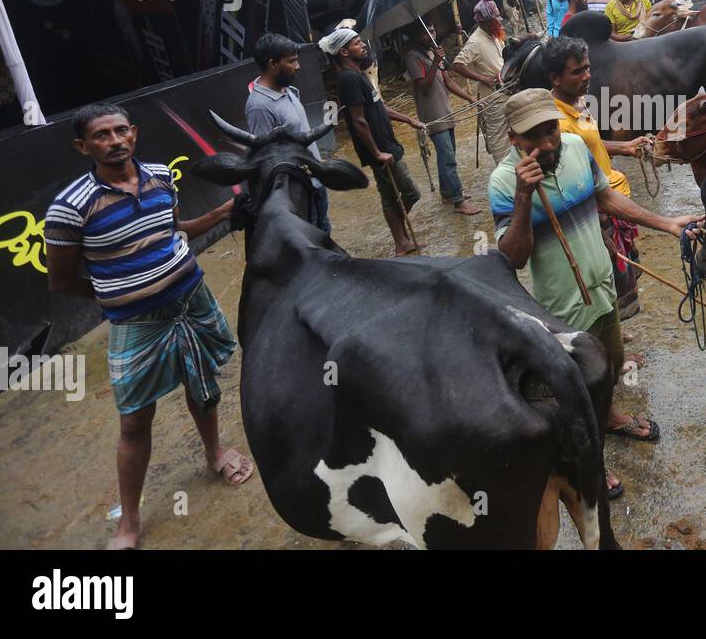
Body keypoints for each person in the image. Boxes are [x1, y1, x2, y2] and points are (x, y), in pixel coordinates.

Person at [46, 103, 249, 549]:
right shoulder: (68, 208)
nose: (115, 141)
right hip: (136, 323)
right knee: (135, 422)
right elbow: (60, 282)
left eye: (122, 131)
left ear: (134, 133)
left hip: (191, 298)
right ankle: (130, 524)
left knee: (202, 383)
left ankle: (215, 454)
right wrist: (119, 297)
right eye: (102, 135)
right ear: (83, 147)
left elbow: (174, 231)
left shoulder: (159, 175)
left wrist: (223, 213)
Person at [490, 88, 700, 497]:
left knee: (612, 363)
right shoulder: (503, 181)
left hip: (603, 289)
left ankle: (608, 415)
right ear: (514, 138)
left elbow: (606, 197)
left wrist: (668, 223)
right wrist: (523, 198)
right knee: (576, 391)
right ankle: (587, 463)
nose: (547, 142)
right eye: (534, 136)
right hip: (561, 309)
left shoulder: (574, 146)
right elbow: (512, 258)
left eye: (550, 129)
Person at [546, 36, 654, 322]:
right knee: (610, 283)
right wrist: (599, 225)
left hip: (613, 197)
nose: (587, 75)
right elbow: (569, 181)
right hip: (600, 210)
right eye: (578, 71)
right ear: (555, 78)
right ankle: (614, 348)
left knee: (624, 275)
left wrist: (626, 148)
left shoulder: (577, 102)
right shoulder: (555, 124)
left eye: (587, 67)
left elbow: (590, 145)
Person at [322, 27, 425, 255]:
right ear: (344, 52)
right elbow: (358, 121)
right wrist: (377, 153)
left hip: (385, 144)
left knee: (390, 195)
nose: (364, 45)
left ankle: (402, 242)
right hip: (380, 148)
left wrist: (408, 120)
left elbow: (378, 105)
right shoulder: (348, 79)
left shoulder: (359, 74)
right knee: (409, 193)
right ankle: (401, 239)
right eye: (357, 43)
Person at [245, 33, 331, 234]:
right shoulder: (259, 106)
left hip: (315, 183)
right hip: (297, 194)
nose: (298, 66)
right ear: (273, 64)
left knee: (324, 236)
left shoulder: (287, 89)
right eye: (291, 61)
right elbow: (266, 160)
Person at [405, 21, 480, 215]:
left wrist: (469, 98)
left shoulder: (432, 52)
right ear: (416, 37)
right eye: (426, 33)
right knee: (448, 159)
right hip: (433, 115)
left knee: (448, 153)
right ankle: (458, 200)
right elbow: (423, 86)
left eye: (432, 30)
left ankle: (447, 192)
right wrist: (434, 62)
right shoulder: (413, 57)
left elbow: (447, 81)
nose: (431, 34)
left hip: (445, 110)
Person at [451, 0, 511, 163]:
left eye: (499, 15)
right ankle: (503, 168)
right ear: (485, 21)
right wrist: (483, 78)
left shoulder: (496, 34)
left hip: (506, 90)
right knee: (498, 135)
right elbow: (457, 64)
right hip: (492, 97)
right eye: (496, 17)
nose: (500, 19)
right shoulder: (475, 42)